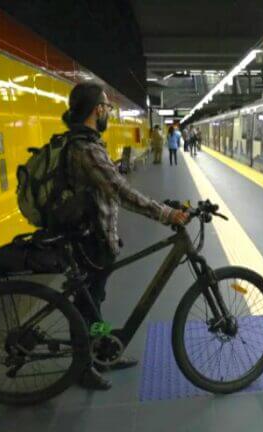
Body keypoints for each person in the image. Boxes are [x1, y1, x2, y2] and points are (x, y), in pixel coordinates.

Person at [56, 83, 188, 390]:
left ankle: (101, 350)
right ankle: (83, 367)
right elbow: (121, 192)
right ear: (96, 109)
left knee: (94, 299)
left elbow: (107, 184)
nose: (108, 113)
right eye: (106, 107)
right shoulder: (86, 148)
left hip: (94, 238)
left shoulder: (85, 143)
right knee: (87, 305)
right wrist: (165, 214)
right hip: (91, 241)